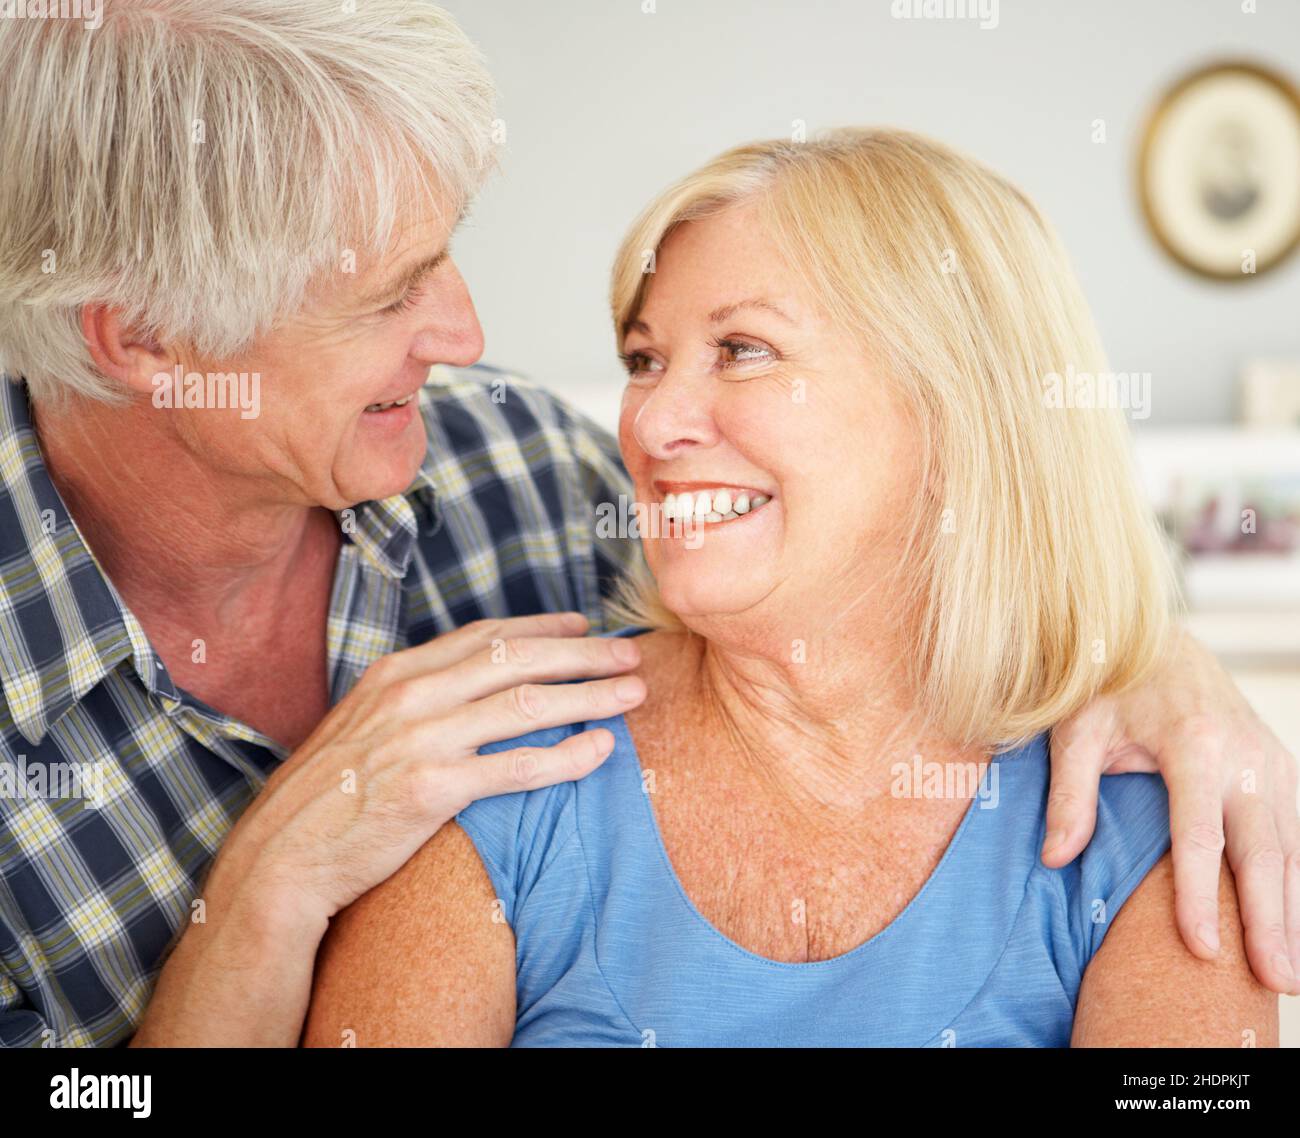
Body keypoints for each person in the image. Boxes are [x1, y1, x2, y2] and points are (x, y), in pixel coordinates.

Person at [0, 3, 1293, 1050]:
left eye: (739, 348)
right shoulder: (510, 798)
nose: (466, 338)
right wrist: (262, 897)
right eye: (391, 292)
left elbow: (959, 524)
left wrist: (1156, 663)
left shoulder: (516, 468)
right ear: (150, 342)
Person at [303, 129, 1278, 1046]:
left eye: (744, 350)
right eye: (646, 360)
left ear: (951, 408)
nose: (650, 423)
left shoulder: (1154, 820)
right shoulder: (500, 776)